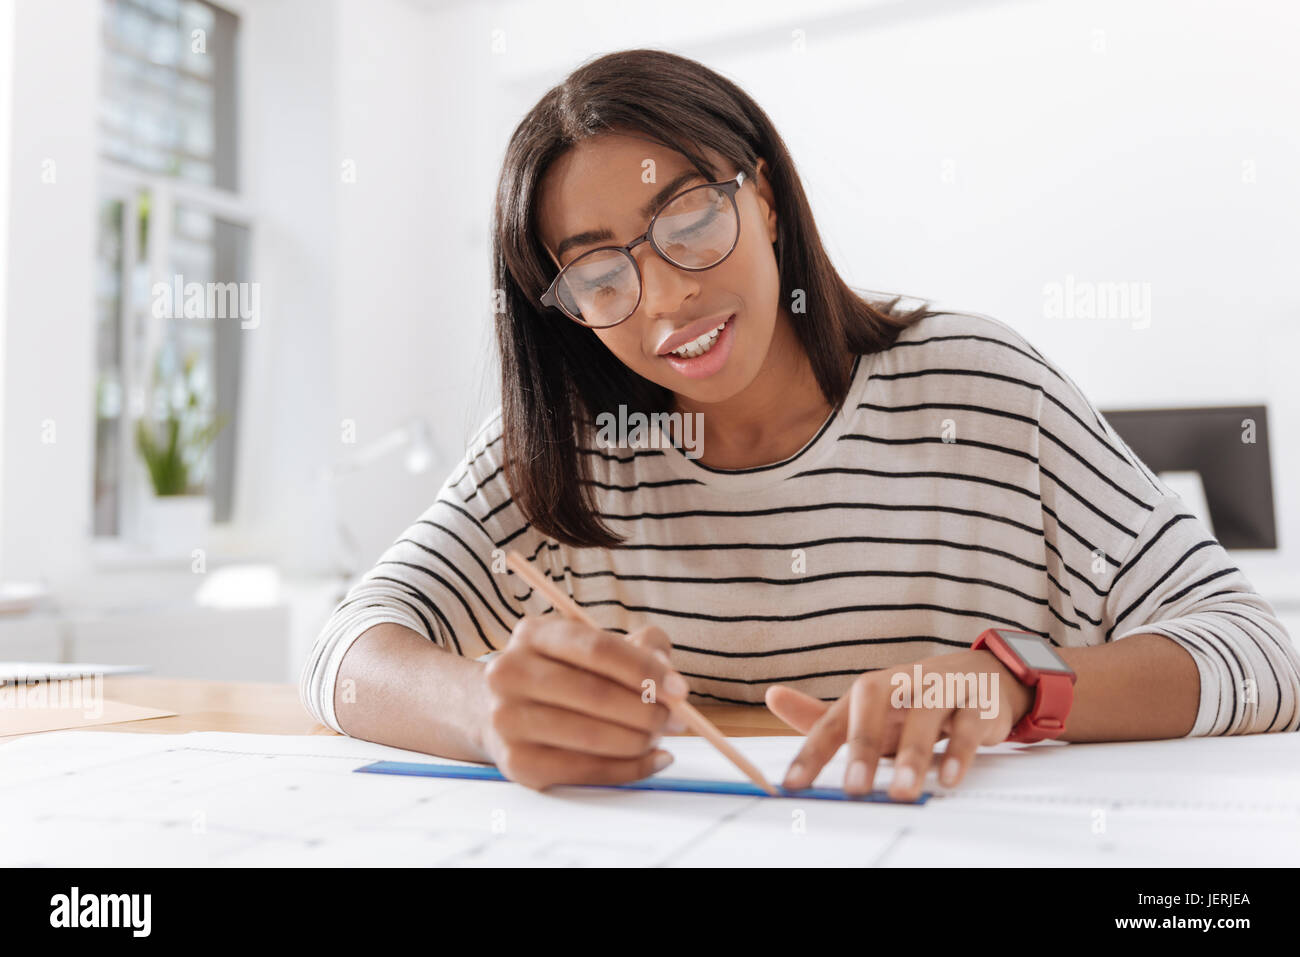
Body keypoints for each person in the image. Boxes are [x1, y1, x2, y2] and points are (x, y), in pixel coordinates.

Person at [300, 49, 1299, 800]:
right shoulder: (565, 449)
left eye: (689, 222)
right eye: (599, 273)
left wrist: (1008, 686)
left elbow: (1262, 657)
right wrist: (479, 709)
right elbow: (343, 650)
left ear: (766, 198)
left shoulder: (984, 389)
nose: (662, 302)